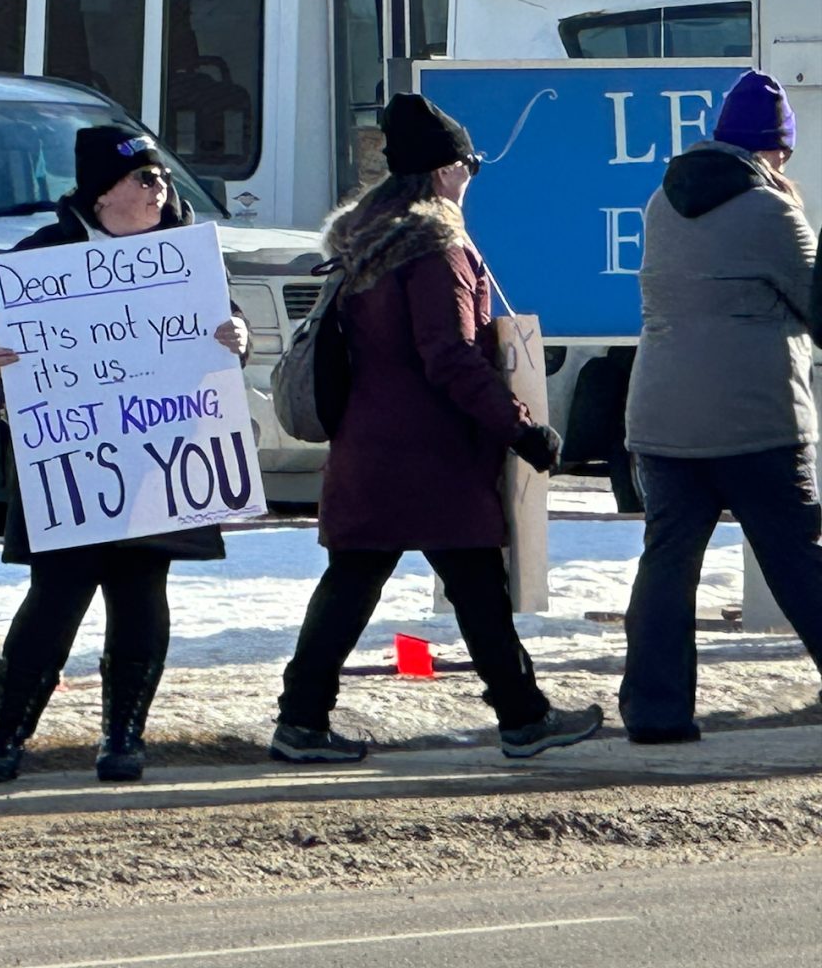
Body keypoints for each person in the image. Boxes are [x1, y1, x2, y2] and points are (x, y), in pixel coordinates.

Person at [270, 93, 603, 764]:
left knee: (358, 582)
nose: (472, 176)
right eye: (470, 164)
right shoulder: (436, 250)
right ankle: (522, 715)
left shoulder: (369, 243)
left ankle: (302, 718)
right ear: (446, 171)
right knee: (472, 583)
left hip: (370, 447)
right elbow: (448, 355)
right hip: (431, 454)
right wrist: (521, 429)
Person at [0, 128, 250, 784]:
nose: (161, 189)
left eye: (164, 177)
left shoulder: (185, 255)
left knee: (141, 593)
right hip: (71, 462)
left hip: (159, 456)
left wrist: (237, 334)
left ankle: (124, 736)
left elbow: (225, 326)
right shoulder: (45, 254)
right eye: (145, 177)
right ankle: (5, 735)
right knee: (55, 596)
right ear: (102, 193)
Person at [624, 71, 822, 741]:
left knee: (667, 563)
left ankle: (655, 713)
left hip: (661, 418)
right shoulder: (771, 211)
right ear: (772, 148)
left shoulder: (661, 202)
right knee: (798, 560)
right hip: (755, 419)